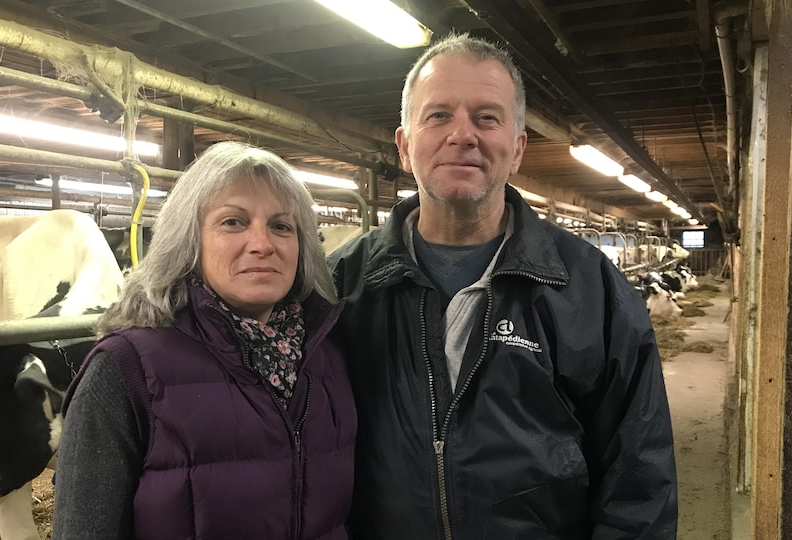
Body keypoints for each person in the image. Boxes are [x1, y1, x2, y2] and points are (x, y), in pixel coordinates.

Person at [327, 34, 677, 539]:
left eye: (486, 117)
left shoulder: (591, 288)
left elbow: (640, 480)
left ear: (516, 149)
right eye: (438, 115)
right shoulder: (341, 285)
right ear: (404, 146)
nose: (462, 135)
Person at [52, 141, 356, 539]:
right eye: (233, 222)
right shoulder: (125, 370)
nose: (263, 244)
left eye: (282, 226)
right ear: (189, 240)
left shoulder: (327, 358)